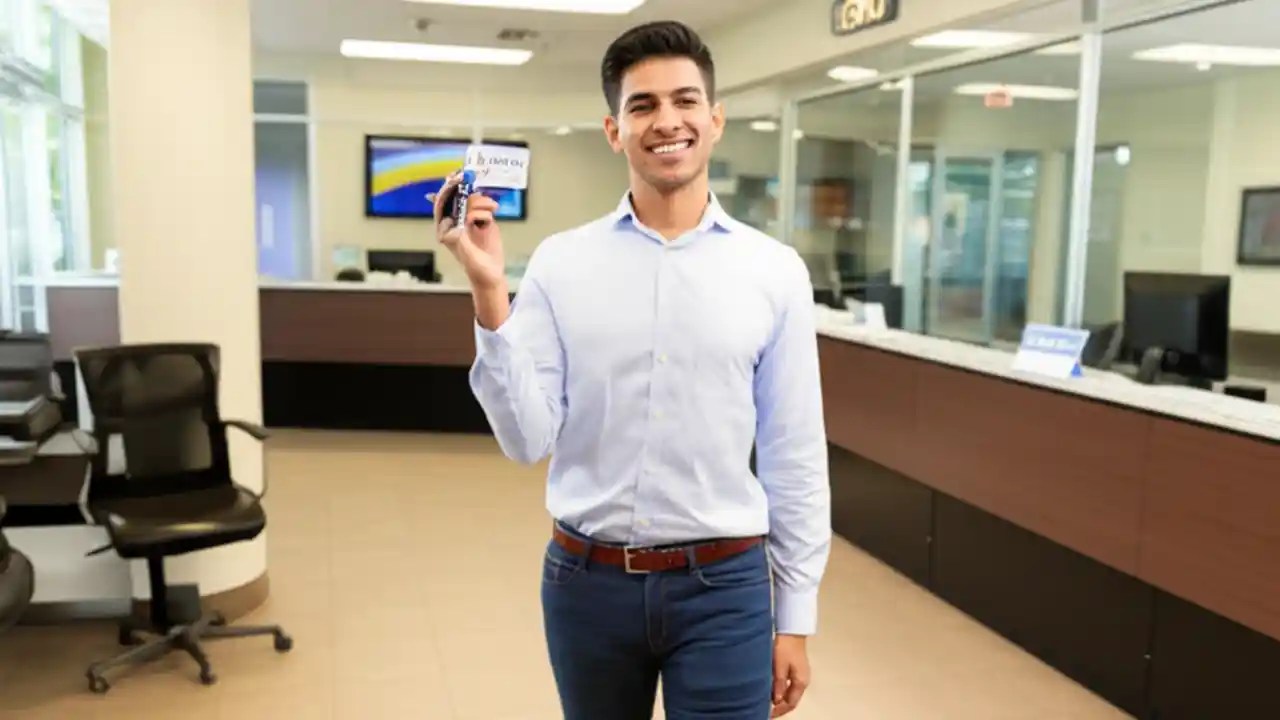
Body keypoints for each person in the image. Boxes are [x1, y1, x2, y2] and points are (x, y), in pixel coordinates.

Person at [433, 20, 831, 720]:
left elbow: (793, 453)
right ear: (614, 131)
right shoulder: (562, 262)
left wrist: (795, 615)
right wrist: (490, 292)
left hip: (726, 587)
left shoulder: (773, 272)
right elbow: (527, 440)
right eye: (642, 105)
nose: (666, 121)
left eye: (684, 101)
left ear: (715, 120)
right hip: (587, 587)